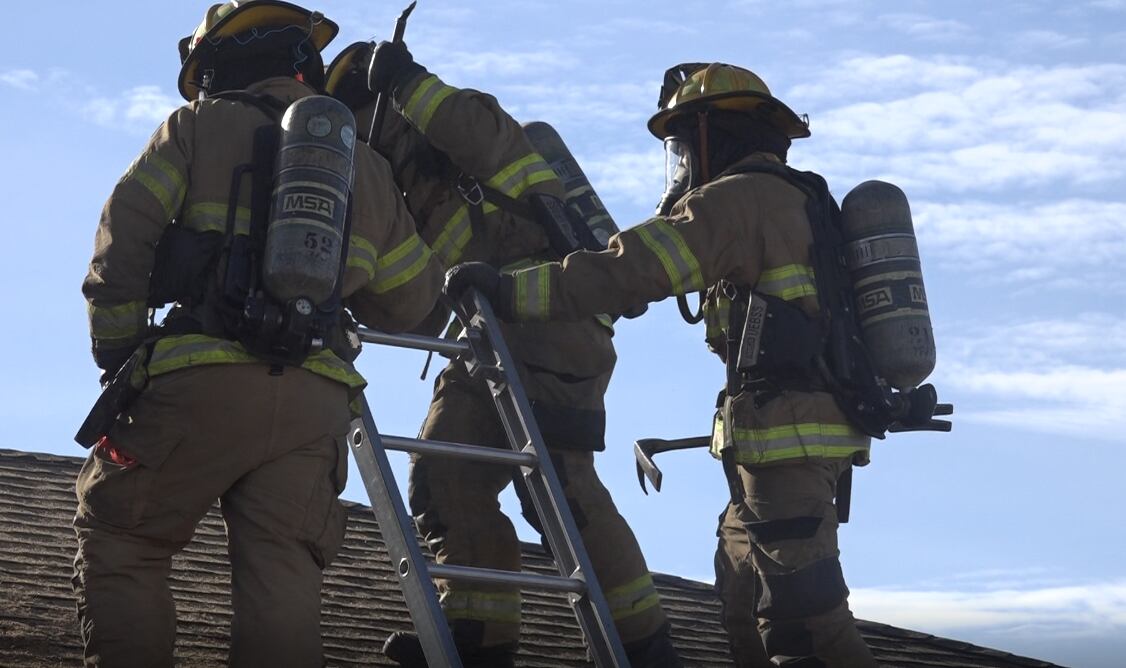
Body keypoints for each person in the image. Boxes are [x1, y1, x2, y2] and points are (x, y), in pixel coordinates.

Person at [446, 62, 879, 668]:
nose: (679, 162)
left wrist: (509, 291)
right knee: (743, 609)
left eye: (680, 143)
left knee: (806, 631)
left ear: (711, 134)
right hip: (778, 449)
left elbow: (632, 269)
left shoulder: (738, 199)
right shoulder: (804, 200)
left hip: (788, 449)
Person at [74, 2, 443, 666]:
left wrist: (118, 348)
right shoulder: (365, 167)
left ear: (212, 66)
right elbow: (415, 304)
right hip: (313, 404)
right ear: (306, 66)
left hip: (198, 379)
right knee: (283, 571)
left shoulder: (194, 127)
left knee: (123, 538)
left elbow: (120, 246)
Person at [325, 40, 680, 667]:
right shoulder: (405, 187)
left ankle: (647, 648)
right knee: (444, 474)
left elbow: (472, 126)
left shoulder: (464, 131)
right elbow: (422, 298)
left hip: (551, 318)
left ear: (376, 105)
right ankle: (477, 637)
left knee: (562, 491)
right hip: (484, 338)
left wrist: (408, 80)